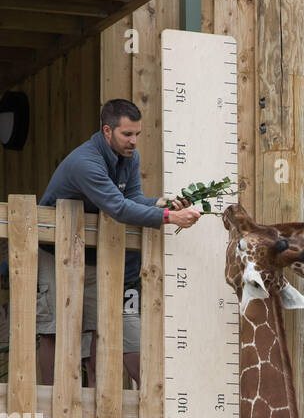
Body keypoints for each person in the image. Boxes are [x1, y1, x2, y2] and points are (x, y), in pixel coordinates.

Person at [37, 98, 201, 387]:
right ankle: (51, 402)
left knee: (98, 326)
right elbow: (118, 208)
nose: (134, 141)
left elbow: (133, 198)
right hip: (56, 250)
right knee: (56, 328)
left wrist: (162, 202)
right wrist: (170, 219)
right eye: (127, 134)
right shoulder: (85, 162)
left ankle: (94, 403)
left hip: (91, 255)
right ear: (107, 131)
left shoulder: (129, 157)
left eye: (137, 134)